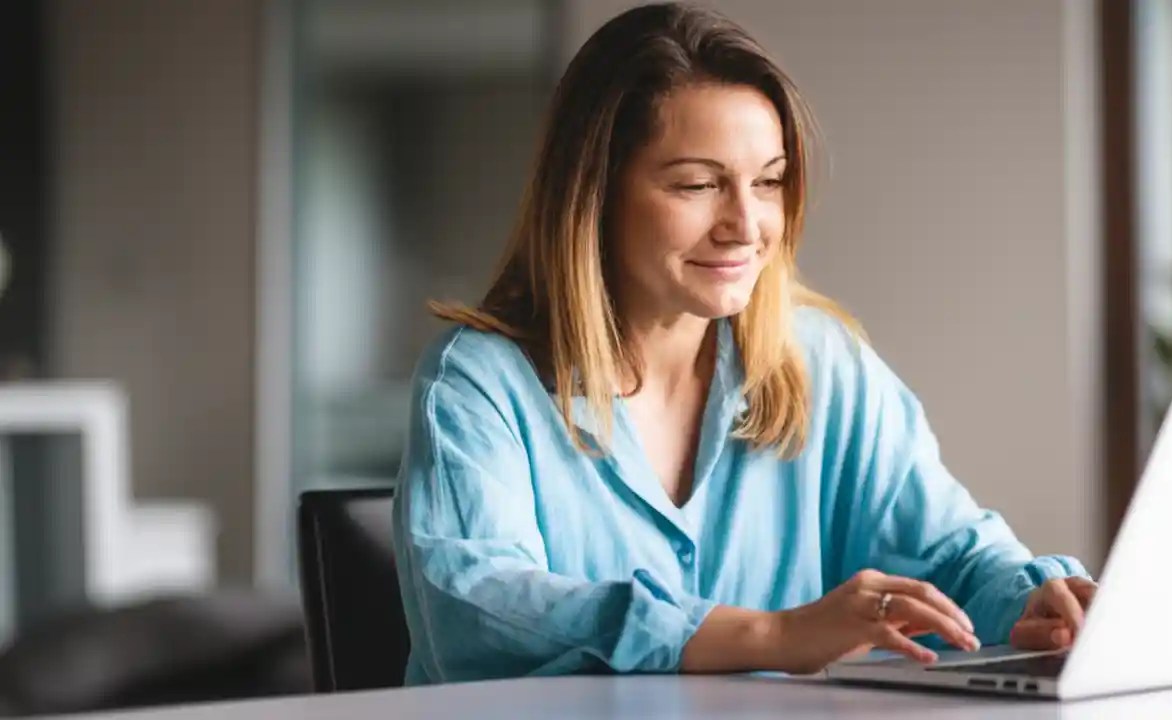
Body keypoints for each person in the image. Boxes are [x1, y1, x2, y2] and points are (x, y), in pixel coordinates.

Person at [392, 1, 1095, 685]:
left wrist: (1032, 599)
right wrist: (772, 634)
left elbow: (951, 554)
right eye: (697, 184)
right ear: (593, 194)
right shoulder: (477, 382)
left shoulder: (821, 365)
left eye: (768, 182)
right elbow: (476, 607)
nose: (745, 223)